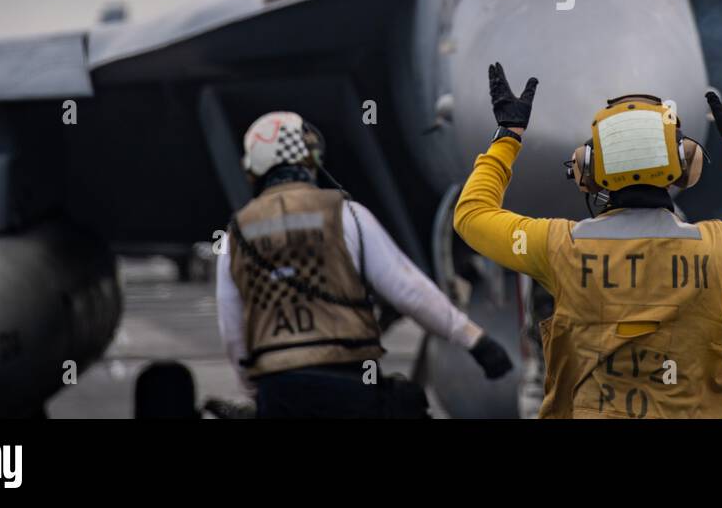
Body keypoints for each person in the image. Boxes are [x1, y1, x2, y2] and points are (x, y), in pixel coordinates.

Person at [453, 60, 722, 418]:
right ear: (683, 163)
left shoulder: (559, 246)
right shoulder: (717, 249)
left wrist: (508, 137)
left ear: (588, 167)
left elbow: (472, 215)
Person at [216, 111, 512, 418]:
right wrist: (475, 340)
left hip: (278, 391)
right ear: (311, 158)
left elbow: (232, 330)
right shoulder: (346, 215)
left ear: (253, 165)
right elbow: (408, 290)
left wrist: (254, 390)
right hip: (348, 387)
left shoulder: (235, 234)